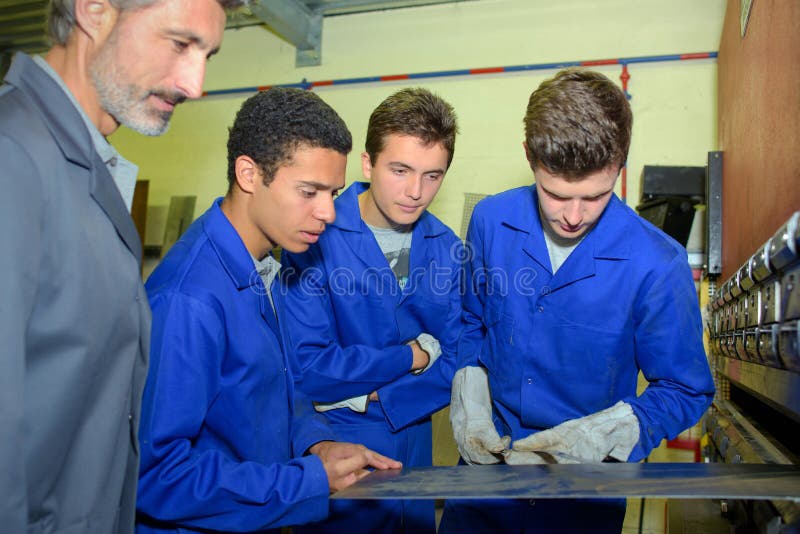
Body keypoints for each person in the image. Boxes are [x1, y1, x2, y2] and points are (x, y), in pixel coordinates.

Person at [440, 69, 716, 533]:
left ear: (620, 164)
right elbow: (473, 322)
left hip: (585, 493)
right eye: (555, 194)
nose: (573, 216)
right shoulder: (490, 221)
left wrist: (605, 435)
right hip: (485, 480)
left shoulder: (656, 262)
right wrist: (470, 394)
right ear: (529, 155)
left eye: (595, 196)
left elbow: (685, 388)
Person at [0, 0, 241, 531]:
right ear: (93, 10)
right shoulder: (12, 156)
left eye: (207, 55)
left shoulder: (85, 166)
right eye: (180, 44)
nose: (195, 84)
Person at [136, 88, 401, 534]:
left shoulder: (260, 268)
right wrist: (306, 482)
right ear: (248, 174)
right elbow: (157, 476)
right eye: (309, 191)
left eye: (333, 192)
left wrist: (316, 444)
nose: (328, 212)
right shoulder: (190, 300)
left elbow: (273, 387)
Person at [281, 87, 462, 533]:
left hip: (416, 448)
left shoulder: (449, 250)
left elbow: (462, 357)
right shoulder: (313, 239)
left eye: (432, 175)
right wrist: (413, 357)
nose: (415, 192)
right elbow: (308, 368)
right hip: (338, 447)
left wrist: (375, 393)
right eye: (400, 170)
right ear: (367, 164)